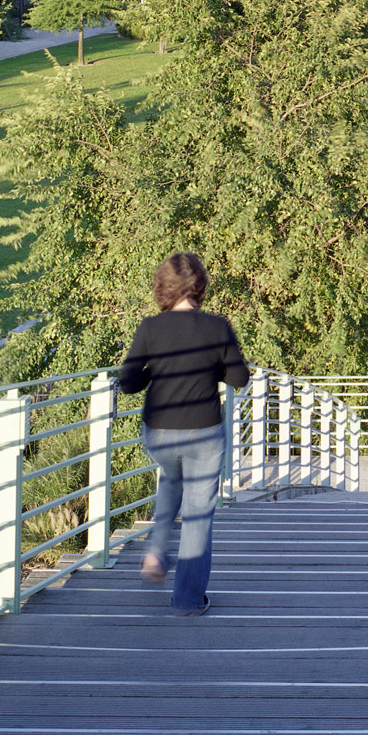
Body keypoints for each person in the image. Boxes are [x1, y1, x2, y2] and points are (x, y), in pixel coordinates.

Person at [118, 252, 249, 616]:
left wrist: (155, 372)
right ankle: (189, 599)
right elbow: (239, 378)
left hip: (160, 432)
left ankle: (156, 552)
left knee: (170, 483)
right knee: (197, 516)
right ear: (200, 286)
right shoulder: (218, 327)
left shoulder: (150, 328)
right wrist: (212, 369)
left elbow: (128, 382)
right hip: (204, 432)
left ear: (164, 287)